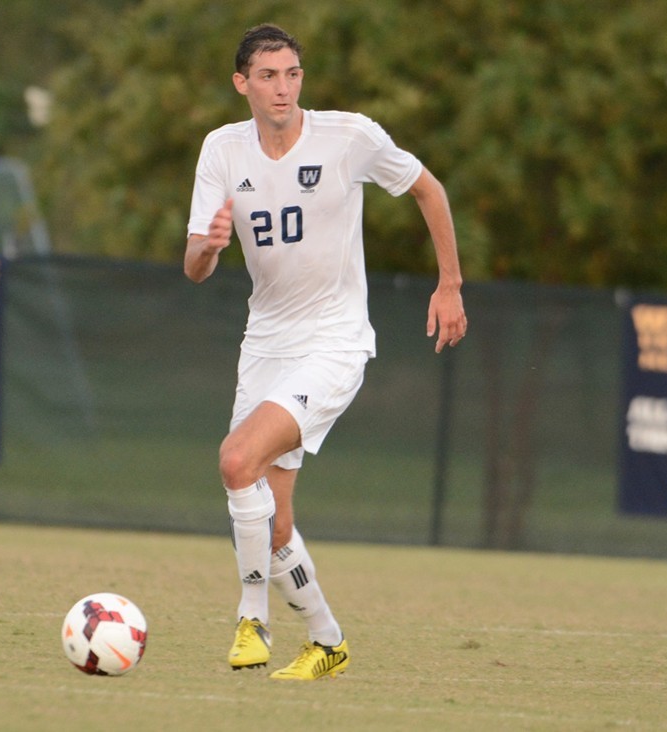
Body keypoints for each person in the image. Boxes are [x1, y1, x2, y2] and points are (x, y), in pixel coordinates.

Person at [184, 23, 467, 681]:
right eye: (268, 76)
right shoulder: (222, 150)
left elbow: (429, 189)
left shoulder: (349, 136)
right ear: (242, 84)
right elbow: (195, 265)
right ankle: (328, 641)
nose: (282, 87)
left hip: (334, 342)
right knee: (274, 524)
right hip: (266, 345)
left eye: (292, 74)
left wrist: (450, 283)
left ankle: (251, 616)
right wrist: (208, 247)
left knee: (235, 460)